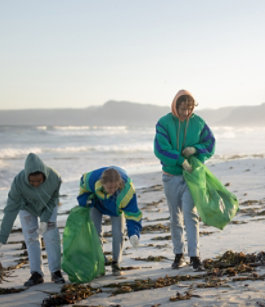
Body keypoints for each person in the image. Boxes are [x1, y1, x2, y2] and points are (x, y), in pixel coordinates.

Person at [154, 89, 215, 271]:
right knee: (175, 217)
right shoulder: (164, 123)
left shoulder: (198, 122)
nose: (185, 113)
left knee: (191, 214)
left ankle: (195, 256)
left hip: (192, 177)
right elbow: (160, 149)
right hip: (171, 176)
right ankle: (178, 255)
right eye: (182, 109)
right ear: (175, 106)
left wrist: (195, 150)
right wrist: (181, 160)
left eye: (188, 109)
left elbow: (210, 144)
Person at [0, 153, 64, 286]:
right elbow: (10, 210)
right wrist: (2, 238)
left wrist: (45, 220)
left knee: (51, 235)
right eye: (32, 181)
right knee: (30, 236)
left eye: (39, 181)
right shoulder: (18, 183)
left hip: (47, 206)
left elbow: (53, 200)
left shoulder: (54, 178)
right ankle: (36, 274)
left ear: (44, 176)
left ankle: (56, 272)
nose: (35, 184)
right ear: (26, 176)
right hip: (27, 207)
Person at [77, 166, 142, 276]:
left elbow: (133, 214)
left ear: (119, 183)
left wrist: (134, 234)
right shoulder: (91, 180)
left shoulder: (127, 191)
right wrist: (86, 201)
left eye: (114, 187)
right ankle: (99, 261)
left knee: (118, 233)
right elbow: (83, 189)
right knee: (94, 232)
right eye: (109, 188)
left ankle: (116, 264)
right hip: (96, 203)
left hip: (116, 207)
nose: (112, 190)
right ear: (102, 183)